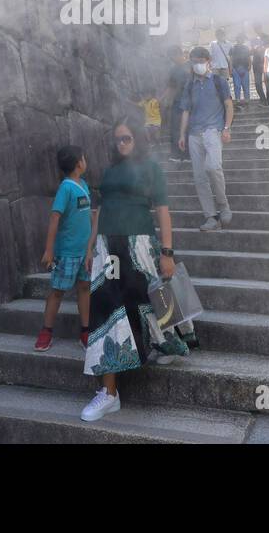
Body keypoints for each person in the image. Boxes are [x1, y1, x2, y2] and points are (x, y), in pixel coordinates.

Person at [80, 120, 194, 422]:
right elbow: (99, 211)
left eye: (127, 138)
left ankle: (165, 344)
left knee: (149, 304)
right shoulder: (108, 172)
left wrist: (167, 253)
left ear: (138, 139)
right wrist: (91, 246)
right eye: (117, 139)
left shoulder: (151, 168)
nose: (122, 144)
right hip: (108, 246)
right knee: (105, 313)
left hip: (140, 244)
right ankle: (109, 393)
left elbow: (163, 211)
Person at [36, 145, 92, 352]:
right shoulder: (66, 188)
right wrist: (49, 250)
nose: (86, 161)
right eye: (84, 158)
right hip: (67, 252)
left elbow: (86, 215)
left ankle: (85, 330)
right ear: (79, 163)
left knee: (85, 288)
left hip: (84, 252)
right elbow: (54, 217)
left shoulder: (84, 185)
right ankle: (46, 331)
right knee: (57, 291)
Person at [177, 45, 234, 231]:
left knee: (213, 166)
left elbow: (228, 105)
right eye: (194, 62)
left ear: (208, 62)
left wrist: (226, 128)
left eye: (200, 62)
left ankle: (224, 205)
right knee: (199, 177)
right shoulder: (189, 85)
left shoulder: (218, 81)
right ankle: (211, 216)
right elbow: (185, 111)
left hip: (213, 130)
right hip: (194, 133)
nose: (197, 65)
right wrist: (181, 134)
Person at [161, 48, 191, 162]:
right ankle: (176, 155)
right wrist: (162, 99)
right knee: (174, 128)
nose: (173, 59)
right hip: (177, 102)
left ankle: (188, 154)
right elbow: (171, 86)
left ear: (180, 54)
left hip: (189, 103)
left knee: (188, 128)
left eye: (174, 56)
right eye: (171, 57)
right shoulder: (173, 69)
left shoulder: (190, 66)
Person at [250, 26, 269, 106]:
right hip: (256, 62)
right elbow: (250, 51)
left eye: (258, 28)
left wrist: (263, 48)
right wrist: (254, 49)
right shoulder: (253, 39)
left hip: (266, 61)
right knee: (258, 82)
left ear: (261, 28)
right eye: (256, 28)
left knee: (268, 81)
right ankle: (262, 99)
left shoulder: (266, 37)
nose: (257, 30)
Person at [228, 36, 252, 106]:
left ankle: (247, 99)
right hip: (235, 69)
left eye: (241, 39)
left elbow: (249, 57)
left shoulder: (246, 48)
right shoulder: (232, 48)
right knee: (237, 85)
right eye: (239, 38)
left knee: (246, 85)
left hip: (245, 68)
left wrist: (250, 65)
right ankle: (238, 99)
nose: (240, 40)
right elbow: (231, 59)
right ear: (237, 39)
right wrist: (230, 69)